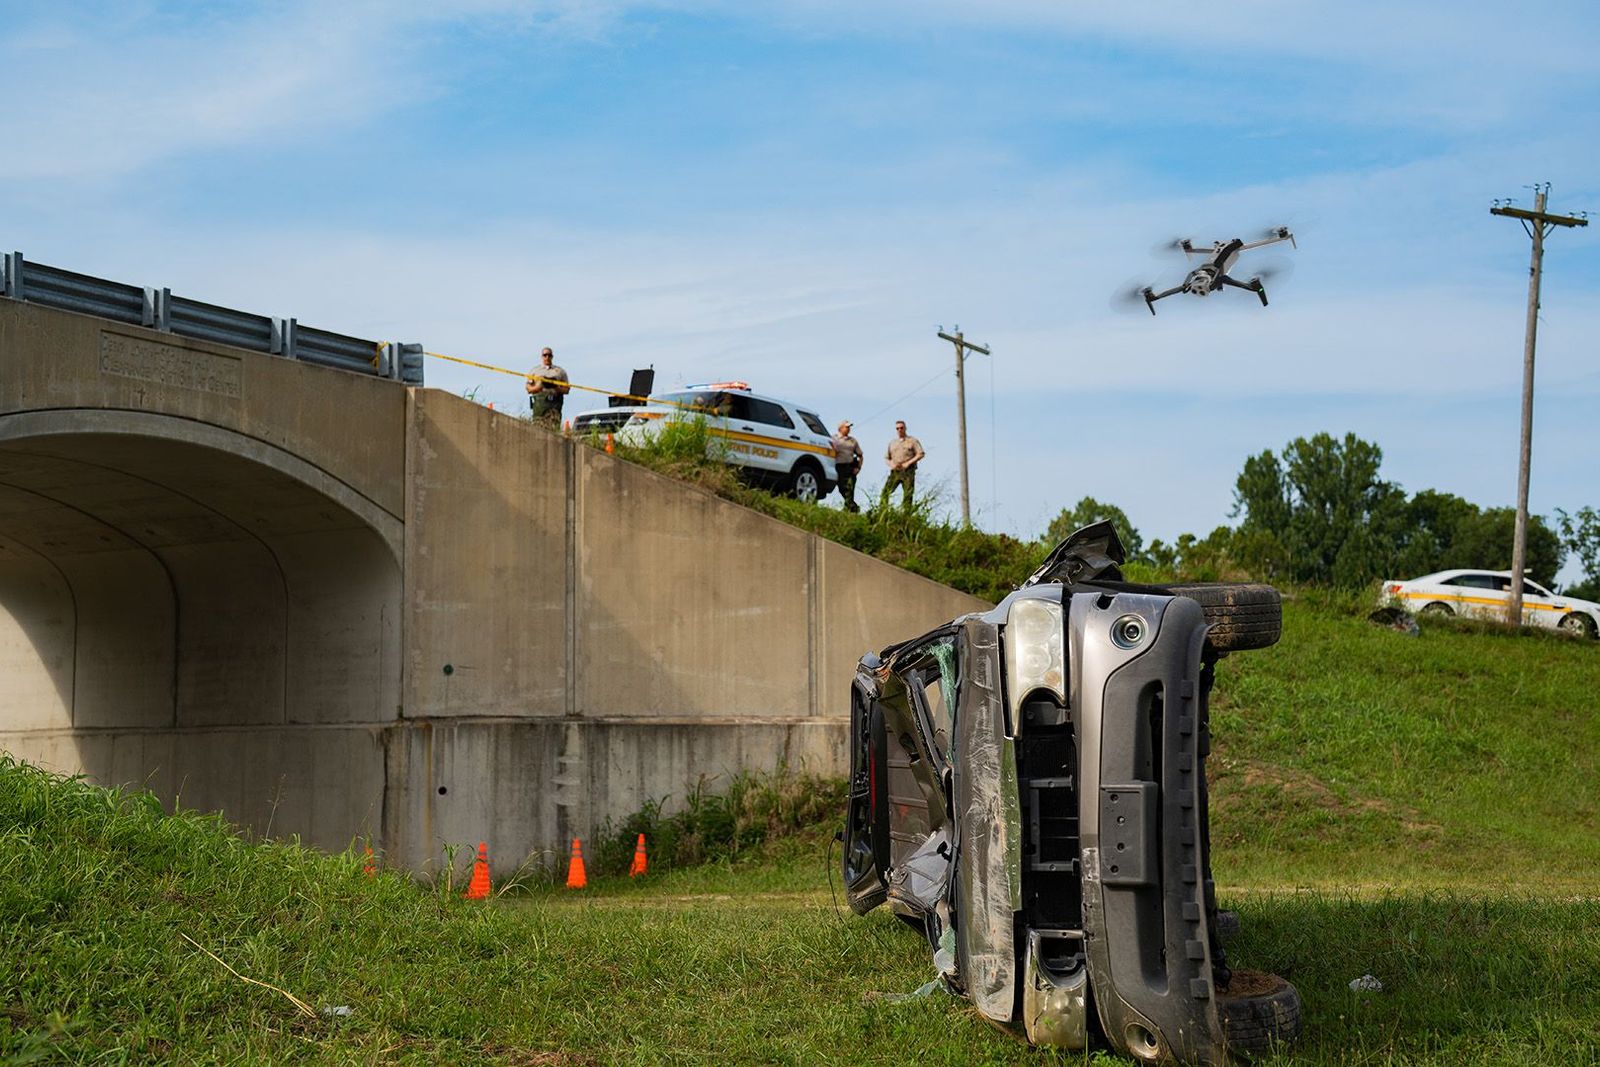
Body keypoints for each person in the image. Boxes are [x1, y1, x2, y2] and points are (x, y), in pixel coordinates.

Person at [880, 420, 925, 510]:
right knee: (885, 492)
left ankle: (906, 516)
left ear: (905, 428)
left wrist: (908, 463)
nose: (899, 430)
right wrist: (891, 464)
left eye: (901, 428)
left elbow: (920, 454)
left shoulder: (912, 441)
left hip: (908, 471)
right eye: (897, 428)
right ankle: (882, 512)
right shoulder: (893, 443)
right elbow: (886, 457)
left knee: (908, 494)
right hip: (895, 471)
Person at [525, 347, 570, 427]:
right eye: (545, 355)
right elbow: (528, 388)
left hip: (555, 401)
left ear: (552, 356)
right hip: (540, 402)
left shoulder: (559, 371)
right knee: (538, 425)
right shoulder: (535, 371)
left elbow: (567, 389)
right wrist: (539, 386)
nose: (547, 357)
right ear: (542, 356)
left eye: (549, 355)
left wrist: (556, 387)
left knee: (554, 425)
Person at [830, 420, 863, 513]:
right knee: (841, 488)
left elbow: (860, 455)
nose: (849, 429)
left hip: (850, 467)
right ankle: (853, 507)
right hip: (838, 466)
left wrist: (858, 467)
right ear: (840, 428)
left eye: (849, 427)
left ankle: (849, 509)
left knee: (850, 488)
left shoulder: (853, 441)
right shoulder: (833, 438)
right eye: (847, 427)